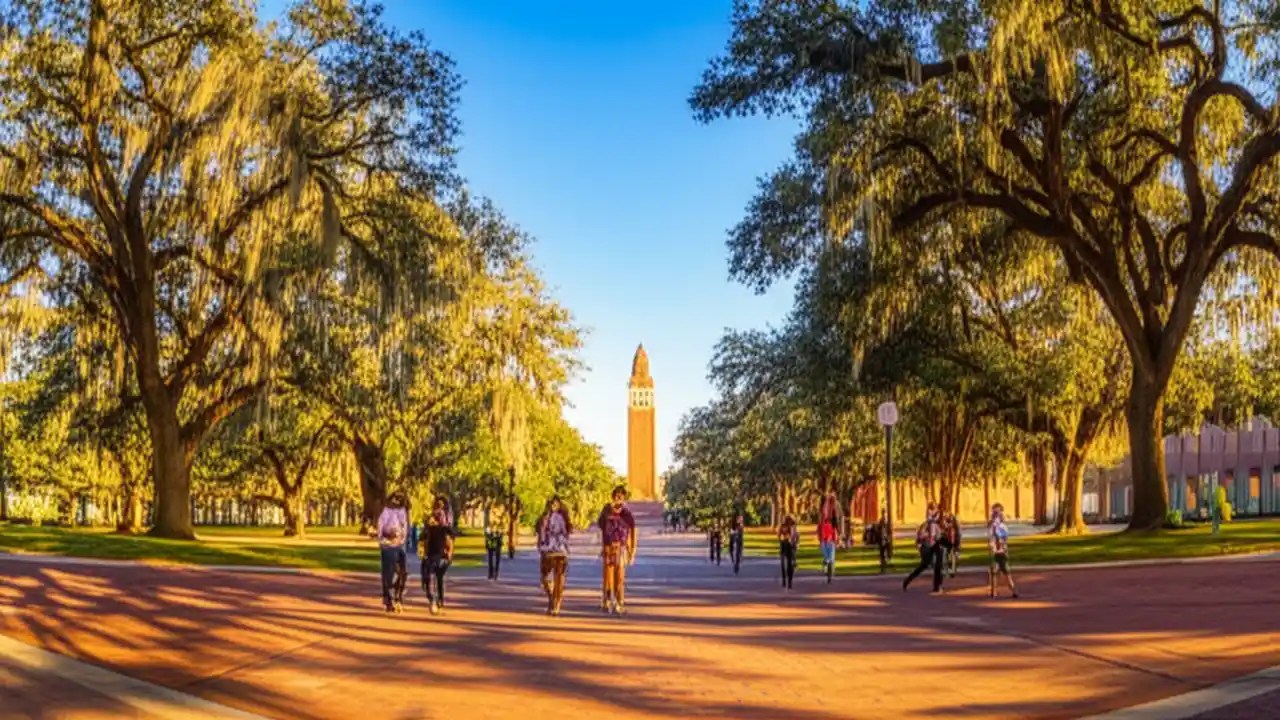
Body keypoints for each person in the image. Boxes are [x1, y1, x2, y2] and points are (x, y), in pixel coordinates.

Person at [597, 485, 637, 615]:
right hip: (608, 547)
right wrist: (602, 547)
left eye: (620, 496)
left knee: (619, 577)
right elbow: (602, 529)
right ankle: (607, 600)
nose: (617, 498)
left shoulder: (627, 514)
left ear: (623, 498)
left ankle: (619, 602)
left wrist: (632, 551)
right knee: (608, 577)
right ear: (612, 497)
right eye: (616, 496)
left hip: (621, 547)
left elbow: (632, 533)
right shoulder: (606, 511)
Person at [537, 496, 573, 616]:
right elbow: (540, 534)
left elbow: (566, 534)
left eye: (556, 504)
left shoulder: (562, 519)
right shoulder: (543, 519)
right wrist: (541, 546)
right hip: (547, 550)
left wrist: (562, 543)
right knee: (545, 579)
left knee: (560, 580)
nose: (554, 506)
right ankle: (551, 598)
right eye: (552, 504)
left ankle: (557, 604)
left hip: (560, 551)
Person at [375, 491, 409, 614]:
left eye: (400, 499)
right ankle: (387, 599)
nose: (397, 501)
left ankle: (398, 596)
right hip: (387, 545)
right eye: (395, 498)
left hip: (400, 545)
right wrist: (385, 537)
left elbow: (405, 527)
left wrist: (401, 539)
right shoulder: (386, 511)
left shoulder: (403, 512)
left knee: (402, 573)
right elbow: (380, 527)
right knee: (387, 574)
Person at [420, 498, 455, 616]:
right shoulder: (429, 526)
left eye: (441, 506)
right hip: (430, 555)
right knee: (428, 579)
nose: (439, 510)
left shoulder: (445, 527)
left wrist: (449, 554)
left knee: (437, 578)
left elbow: (450, 540)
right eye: (437, 506)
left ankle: (438, 600)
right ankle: (434, 599)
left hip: (440, 556)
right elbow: (422, 539)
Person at [902, 502, 944, 593]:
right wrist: (921, 542)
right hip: (928, 545)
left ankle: (938, 587)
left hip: (936, 544)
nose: (933, 510)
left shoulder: (936, 523)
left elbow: (937, 526)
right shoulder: (927, 523)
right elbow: (921, 534)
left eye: (934, 508)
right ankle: (907, 581)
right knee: (924, 565)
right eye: (932, 508)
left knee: (939, 565)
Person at [988, 503, 1019, 599]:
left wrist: (1001, 546)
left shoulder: (1003, 527)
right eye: (994, 512)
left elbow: (1003, 538)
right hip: (994, 551)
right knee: (993, 572)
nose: (996, 515)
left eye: (998, 512)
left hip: (1002, 551)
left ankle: (1013, 590)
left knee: (1007, 572)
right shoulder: (992, 526)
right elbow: (991, 536)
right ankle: (994, 592)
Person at [817, 492, 841, 583]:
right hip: (827, 534)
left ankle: (829, 567)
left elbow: (837, 521)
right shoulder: (828, 509)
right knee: (829, 555)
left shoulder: (833, 508)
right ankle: (829, 567)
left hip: (829, 534)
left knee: (829, 555)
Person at [778, 514, 799, 590]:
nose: (789, 523)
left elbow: (796, 536)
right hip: (783, 545)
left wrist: (796, 543)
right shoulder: (782, 526)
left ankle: (790, 581)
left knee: (790, 565)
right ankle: (784, 579)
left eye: (790, 521)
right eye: (788, 521)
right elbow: (779, 535)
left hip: (791, 546)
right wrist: (782, 538)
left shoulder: (794, 527)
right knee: (783, 564)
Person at [484, 506, 504, 581]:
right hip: (490, 540)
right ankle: (490, 573)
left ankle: (496, 573)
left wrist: (499, 534)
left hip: (497, 540)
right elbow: (487, 529)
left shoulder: (501, 520)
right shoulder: (489, 520)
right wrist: (488, 534)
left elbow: (502, 529)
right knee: (490, 558)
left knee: (497, 558)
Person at [940, 511, 962, 578]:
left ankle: (951, 571)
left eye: (945, 515)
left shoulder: (953, 524)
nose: (944, 517)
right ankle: (949, 571)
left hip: (952, 543)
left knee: (951, 557)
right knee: (948, 558)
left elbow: (957, 534)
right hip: (949, 543)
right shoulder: (949, 524)